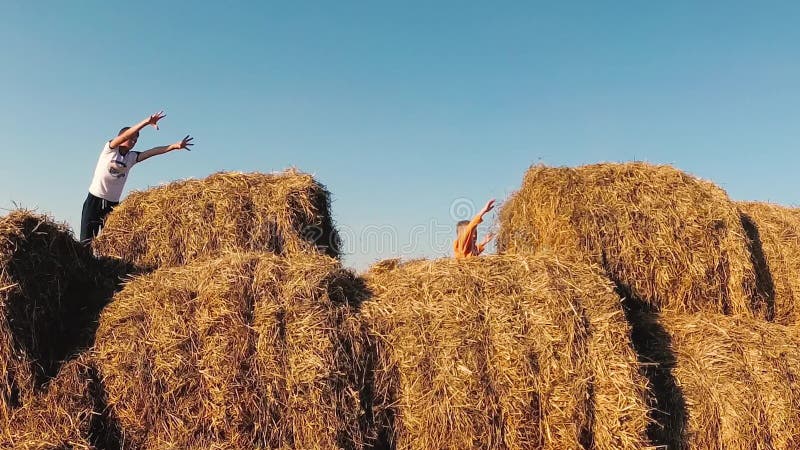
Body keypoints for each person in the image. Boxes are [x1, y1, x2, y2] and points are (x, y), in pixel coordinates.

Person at [80, 111, 194, 244]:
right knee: (86, 242)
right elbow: (125, 136)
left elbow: (152, 152)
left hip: (113, 206)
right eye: (131, 138)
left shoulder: (132, 157)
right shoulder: (110, 149)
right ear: (122, 137)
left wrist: (174, 146)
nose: (134, 141)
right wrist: (146, 122)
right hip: (95, 200)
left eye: (136, 140)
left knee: (111, 243)